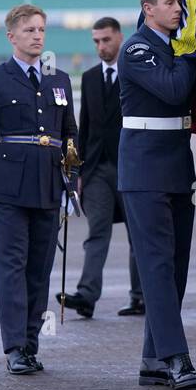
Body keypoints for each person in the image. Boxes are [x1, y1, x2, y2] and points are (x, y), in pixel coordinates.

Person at [0, 4, 77, 375]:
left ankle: (30, 344)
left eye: (42, 29)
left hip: (48, 183)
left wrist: (70, 186)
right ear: (11, 36)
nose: (38, 36)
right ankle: (14, 347)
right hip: (8, 187)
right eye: (29, 30)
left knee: (39, 269)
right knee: (12, 267)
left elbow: (70, 137)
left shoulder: (59, 79)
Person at [118, 0, 196, 390]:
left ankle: (154, 357)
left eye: (179, 3)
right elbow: (171, 90)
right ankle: (175, 357)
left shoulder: (171, 50)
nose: (177, 10)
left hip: (176, 164)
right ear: (148, 9)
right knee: (156, 266)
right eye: (169, 3)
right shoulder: (136, 49)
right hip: (144, 168)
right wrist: (189, 55)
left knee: (177, 265)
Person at [56, 17, 143, 318]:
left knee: (139, 235)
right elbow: (82, 127)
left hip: (131, 168)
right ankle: (86, 296)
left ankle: (140, 297)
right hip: (96, 171)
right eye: (96, 41)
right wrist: (76, 172)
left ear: (119, 37)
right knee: (97, 233)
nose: (101, 46)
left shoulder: (136, 71)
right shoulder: (91, 77)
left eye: (106, 40)